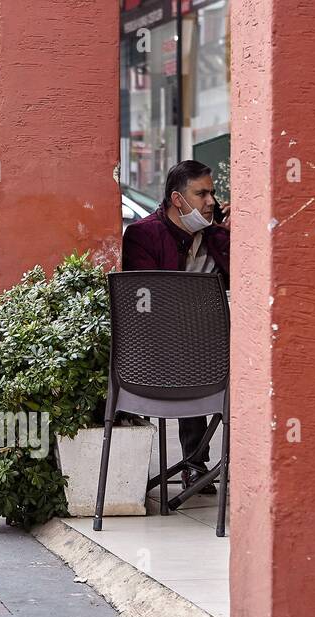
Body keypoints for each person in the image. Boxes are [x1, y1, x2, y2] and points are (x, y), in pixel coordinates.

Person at [121, 159, 230, 491]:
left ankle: (210, 465)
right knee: (195, 354)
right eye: (201, 194)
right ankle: (196, 464)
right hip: (157, 351)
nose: (210, 202)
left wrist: (239, 235)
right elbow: (147, 302)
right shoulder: (143, 235)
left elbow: (248, 276)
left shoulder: (215, 236)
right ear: (177, 199)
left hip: (208, 347)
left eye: (212, 193)